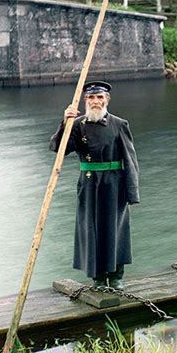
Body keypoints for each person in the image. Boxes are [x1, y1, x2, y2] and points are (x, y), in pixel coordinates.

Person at [50, 81, 140, 290]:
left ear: (107, 100)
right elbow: (58, 148)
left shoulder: (119, 124)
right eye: (91, 98)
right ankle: (98, 278)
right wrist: (65, 122)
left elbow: (130, 160)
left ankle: (116, 276)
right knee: (91, 230)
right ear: (85, 101)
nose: (96, 101)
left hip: (114, 184)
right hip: (89, 185)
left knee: (115, 229)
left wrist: (132, 191)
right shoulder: (78, 125)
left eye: (100, 97)